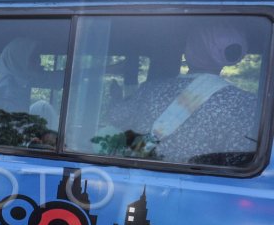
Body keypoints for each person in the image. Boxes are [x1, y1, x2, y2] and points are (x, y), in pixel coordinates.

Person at [109, 22, 259, 164]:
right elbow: (240, 161)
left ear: (190, 49)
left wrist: (115, 98)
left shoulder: (150, 90)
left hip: (145, 179)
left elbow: (116, 117)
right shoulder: (247, 104)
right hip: (200, 187)